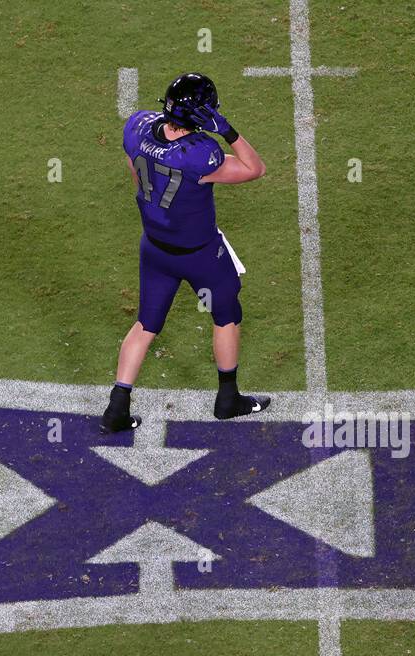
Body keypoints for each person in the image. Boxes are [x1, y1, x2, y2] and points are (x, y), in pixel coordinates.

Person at [102, 72, 270, 432]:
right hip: (200, 254)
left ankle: (116, 408)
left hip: (155, 248)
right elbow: (255, 169)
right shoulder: (199, 155)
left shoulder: (137, 127)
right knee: (226, 315)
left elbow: (136, 174)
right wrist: (227, 131)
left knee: (146, 324)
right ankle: (228, 399)